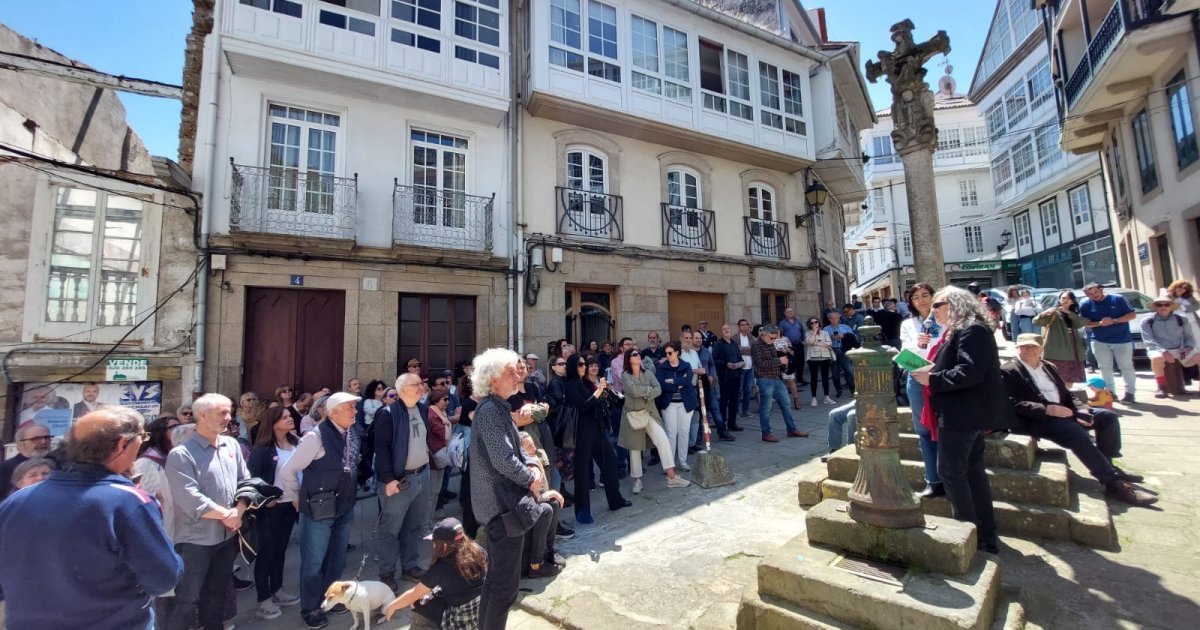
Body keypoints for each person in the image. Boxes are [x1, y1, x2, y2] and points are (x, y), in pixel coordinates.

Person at [0, 407, 183, 629]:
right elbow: (163, 577)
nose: (142, 444)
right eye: (141, 437)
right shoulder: (127, 501)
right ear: (121, 445)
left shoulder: (15, 501)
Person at [911, 286, 1016, 554]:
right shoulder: (960, 330)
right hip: (961, 412)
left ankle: (970, 534)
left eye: (938, 304)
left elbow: (969, 372)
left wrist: (932, 378)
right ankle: (983, 534)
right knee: (971, 472)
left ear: (955, 303)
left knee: (952, 472)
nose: (933, 310)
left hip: (963, 414)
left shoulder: (972, 330)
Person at [1001, 334, 1156, 506]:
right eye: (1024, 347)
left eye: (1033, 347)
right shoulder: (1009, 370)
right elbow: (1010, 402)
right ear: (1018, 348)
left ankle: (1108, 464)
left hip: (1063, 411)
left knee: (1107, 417)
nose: (1029, 350)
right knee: (1074, 432)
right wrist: (1046, 409)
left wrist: (1081, 408)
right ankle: (1113, 484)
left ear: (1041, 349)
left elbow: (1067, 394)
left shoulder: (1048, 367)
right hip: (1037, 419)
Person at [468, 348, 542, 629]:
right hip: (501, 509)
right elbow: (504, 459)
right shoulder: (490, 411)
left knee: (496, 582)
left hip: (501, 508)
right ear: (493, 379)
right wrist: (531, 478)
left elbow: (514, 451)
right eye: (510, 371)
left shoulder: (496, 407)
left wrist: (531, 465)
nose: (518, 374)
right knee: (504, 589)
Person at [165, 393, 250, 630]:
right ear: (202, 415)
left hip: (227, 536)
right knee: (187, 599)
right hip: (196, 541)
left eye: (229, 412)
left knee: (216, 596)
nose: (228, 417)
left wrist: (239, 511)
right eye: (222, 412)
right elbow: (191, 499)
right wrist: (228, 515)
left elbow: (246, 482)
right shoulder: (181, 455)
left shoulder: (231, 445)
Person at [278, 391, 362, 629]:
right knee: (314, 561)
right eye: (350, 408)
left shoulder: (349, 432)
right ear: (334, 412)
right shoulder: (315, 437)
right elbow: (288, 471)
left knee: (336, 557)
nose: (355, 412)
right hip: (319, 508)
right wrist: (296, 497)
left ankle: (332, 599)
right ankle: (311, 607)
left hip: (343, 504)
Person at [372, 372, 434, 592]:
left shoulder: (423, 409)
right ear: (401, 389)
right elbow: (381, 449)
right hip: (400, 480)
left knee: (414, 525)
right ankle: (387, 573)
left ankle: (410, 566)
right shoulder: (387, 414)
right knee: (390, 529)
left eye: (421, 384)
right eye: (416, 384)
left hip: (422, 476)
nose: (421, 387)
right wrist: (388, 479)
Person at [247, 408, 302, 620]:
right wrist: (265, 501)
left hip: (291, 504)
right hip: (271, 508)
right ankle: (264, 599)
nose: (290, 419)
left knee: (280, 550)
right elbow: (252, 480)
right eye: (285, 417)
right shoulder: (263, 449)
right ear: (273, 423)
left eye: (290, 416)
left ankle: (278, 589)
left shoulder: (296, 442)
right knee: (266, 552)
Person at [383, 517, 485, 629]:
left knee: (421, 604)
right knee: (430, 594)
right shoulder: (477, 550)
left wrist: (392, 606)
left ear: (445, 545)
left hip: (462, 616)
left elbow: (413, 594)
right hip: (482, 607)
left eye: (435, 542)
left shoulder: (442, 568)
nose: (433, 545)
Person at [566, 353, 631, 524]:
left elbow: (598, 402)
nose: (584, 367)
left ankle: (615, 500)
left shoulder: (585, 382)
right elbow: (583, 406)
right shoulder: (571, 385)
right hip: (582, 432)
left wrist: (607, 393)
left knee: (610, 464)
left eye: (584, 364)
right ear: (574, 367)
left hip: (597, 428)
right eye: (580, 364)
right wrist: (599, 392)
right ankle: (582, 512)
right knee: (582, 472)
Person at [619, 347, 690, 494]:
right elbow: (632, 391)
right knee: (635, 449)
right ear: (628, 359)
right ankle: (637, 480)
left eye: (639, 353)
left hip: (649, 412)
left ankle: (671, 476)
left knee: (663, 439)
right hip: (633, 415)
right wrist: (647, 391)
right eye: (634, 354)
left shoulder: (648, 373)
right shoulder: (625, 375)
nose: (638, 356)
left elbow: (658, 388)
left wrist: (644, 392)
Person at [899, 282, 943, 497]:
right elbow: (905, 355)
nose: (922, 300)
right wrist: (919, 343)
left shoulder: (947, 320)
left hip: (943, 377)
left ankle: (951, 475)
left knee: (947, 428)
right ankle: (933, 480)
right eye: (916, 298)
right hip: (917, 378)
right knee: (924, 430)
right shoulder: (909, 325)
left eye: (925, 295)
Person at [517, 432, 567, 578]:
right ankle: (536, 564)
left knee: (554, 505)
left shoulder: (535, 459)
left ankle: (548, 551)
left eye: (533, 444)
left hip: (534, 501)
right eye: (529, 446)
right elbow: (535, 497)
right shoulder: (525, 465)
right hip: (524, 508)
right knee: (546, 509)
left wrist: (551, 495)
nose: (533, 448)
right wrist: (552, 493)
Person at [1078, 282, 1138, 403]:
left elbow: (1132, 315)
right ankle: (1110, 393)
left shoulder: (1117, 299)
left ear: (1101, 289)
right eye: (1089, 293)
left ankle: (1130, 392)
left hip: (1122, 339)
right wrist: (1099, 323)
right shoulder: (1085, 304)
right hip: (1099, 340)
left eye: (1095, 291)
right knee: (1105, 368)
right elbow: (1084, 322)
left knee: (1126, 366)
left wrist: (1114, 320)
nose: (1093, 295)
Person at [750, 325, 806, 442]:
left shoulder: (770, 343)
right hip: (764, 379)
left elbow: (772, 360)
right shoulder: (756, 345)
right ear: (763, 334)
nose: (774, 340)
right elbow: (760, 363)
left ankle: (791, 429)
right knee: (766, 408)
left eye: (775, 338)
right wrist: (779, 361)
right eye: (771, 337)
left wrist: (783, 362)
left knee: (786, 404)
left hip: (776, 378)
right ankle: (766, 433)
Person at [1142, 290, 1200, 397]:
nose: (1163, 307)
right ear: (1155, 306)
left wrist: (1187, 348)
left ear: (1171, 306)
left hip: (1180, 349)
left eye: (1167, 304)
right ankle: (1161, 387)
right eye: (1159, 304)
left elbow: (1189, 337)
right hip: (1158, 349)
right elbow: (1149, 340)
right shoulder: (1147, 321)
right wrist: (1163, 351)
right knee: (1156, 358)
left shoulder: (1182, 319)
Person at [655, 341, 698, 471]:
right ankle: (669, 464)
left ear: (677, 352)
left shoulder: (686, 365)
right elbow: (662, 385)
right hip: (669, 404)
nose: (667, 355)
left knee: (684, 432)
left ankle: (682, 461)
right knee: (671, 433)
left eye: (670, 353)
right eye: (666, 353)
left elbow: (688, 381)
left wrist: (672, 381)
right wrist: (679, 383)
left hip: (685, 403)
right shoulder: (662, 368)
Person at [1032, 290, 1089, 388]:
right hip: (1057, 351)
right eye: (1063, 298)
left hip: (1073, 351)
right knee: (1054, 379)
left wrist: (1068, 313)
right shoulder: (1053, 312)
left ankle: (1067, 399)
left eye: (1068, 298)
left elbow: (1082, 323)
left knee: (1069, 379)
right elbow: (1036, 321)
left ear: (1072, 301)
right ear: (1059, 300)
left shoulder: (1073, 314)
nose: (1065, 300)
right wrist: (1044, 314)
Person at [0, 422, 53, 497]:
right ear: (20, 445)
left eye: (47, 438)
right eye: (36, 439)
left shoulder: (58, 463)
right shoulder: (5, 468)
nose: (43, 442)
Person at [713, 324, 744, 431]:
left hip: (736, 376)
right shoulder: (718, 344)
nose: (726, 330)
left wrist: (741, 363)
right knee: (724, 401)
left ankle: (732, 423)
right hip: (725, 377)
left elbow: (739, 357)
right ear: (721, 332)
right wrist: (726, 364)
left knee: (734, 401)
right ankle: (723, 424)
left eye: (728, 329)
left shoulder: (734, 343)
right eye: (724, 329)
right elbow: (714, 360)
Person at [804, 317, 836, 406]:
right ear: (809, 325)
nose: (814, 324)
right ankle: (813, 398)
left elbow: (829, 343)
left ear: (819, 323)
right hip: (813, 358)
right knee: (813, 378)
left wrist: (817, 343)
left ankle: (826, 397)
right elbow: (809, 342)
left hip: (824, 357)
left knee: (825, 378)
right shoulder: (808, 333)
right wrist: (814, 333)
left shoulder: (825, 333)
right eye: (812, 323)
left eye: (816, 322)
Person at [823, 312, 857, 397]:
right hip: (833, 350)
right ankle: (839, 391)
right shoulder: (825, 329)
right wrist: (831, 337)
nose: (834, 320)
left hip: (844, 350)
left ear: (839, 318)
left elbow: (853, 337)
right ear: (829, 319)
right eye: (832, 318)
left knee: (849, 370)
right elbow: (822, 340)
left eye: (835, 318)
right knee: (835, 373)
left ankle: (853, 390)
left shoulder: (845, 327)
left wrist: (844, 336)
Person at [735, 319, 757, 417]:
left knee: (747, 390)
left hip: (750, 367)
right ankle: (736, 411)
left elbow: (755, 350)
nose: (744, 326)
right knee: (738, 390)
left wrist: (743, 349)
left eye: (746, 325)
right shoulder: (734, 338)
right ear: (739, 326)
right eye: (742, 325)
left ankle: (746, 410)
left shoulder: (752, 337)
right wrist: (748, 349)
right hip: (740, 368)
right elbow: (737, 350)